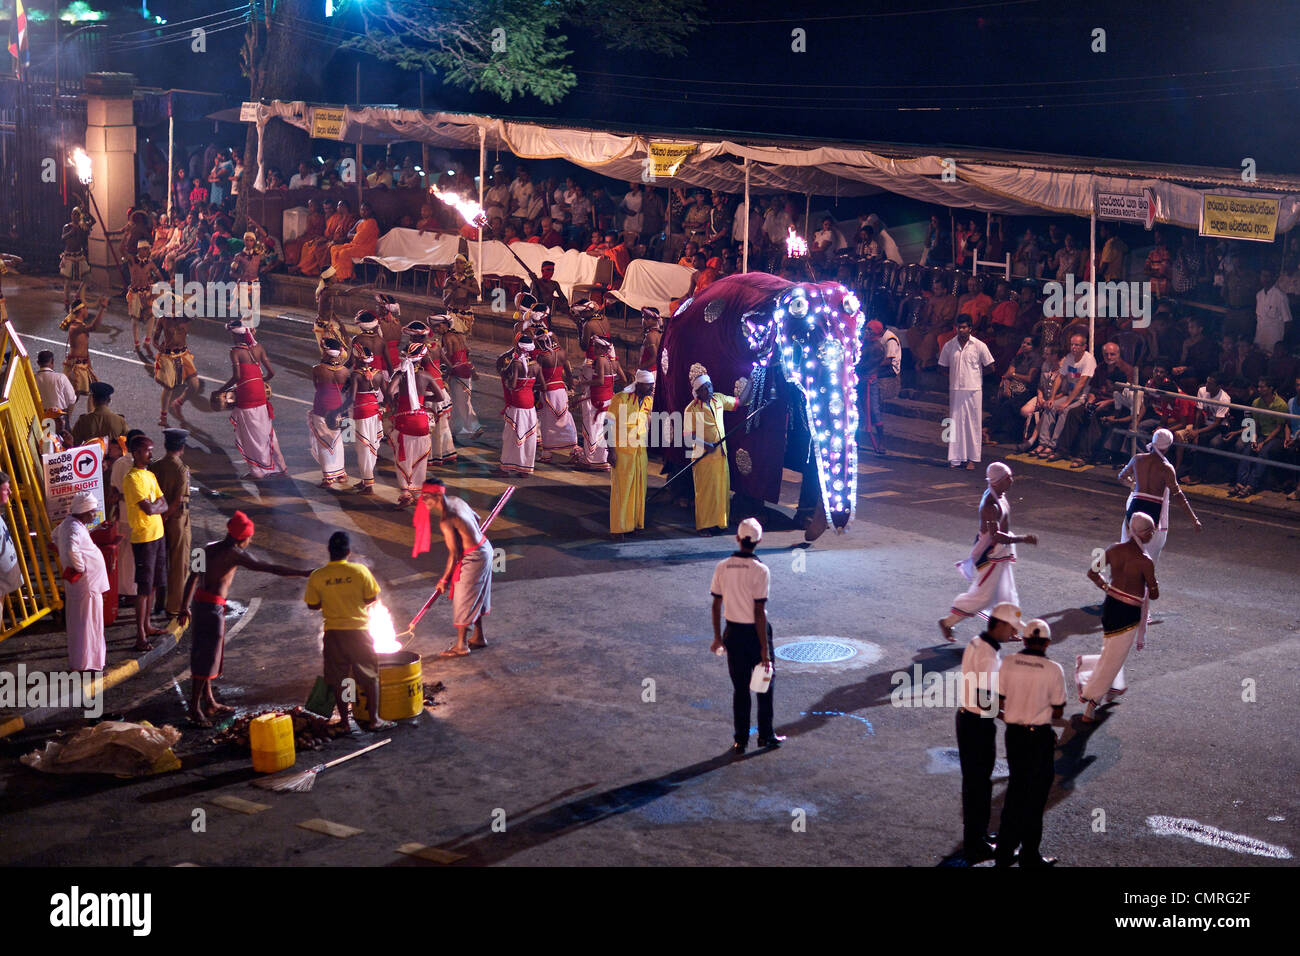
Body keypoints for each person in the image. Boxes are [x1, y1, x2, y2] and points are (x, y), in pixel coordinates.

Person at [179, 511, 310, 726]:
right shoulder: (234, 554)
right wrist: (305, 573)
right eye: (250, 538)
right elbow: (271, 568)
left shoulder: (207, 548)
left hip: (200, 604)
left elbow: (193, 575)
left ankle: (209, 700)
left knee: (205, 654)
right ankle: (194, 708)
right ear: (243, 538)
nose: (250, 541)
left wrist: (185, 605)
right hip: (212, 609)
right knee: (207, 658)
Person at [993, 618, 1065, 867]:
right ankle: (1029, 855)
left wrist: (1013, 716)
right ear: (1047, 643)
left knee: (1015, 791)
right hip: (1040, 738)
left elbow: (996, 703)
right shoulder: (1054, 669)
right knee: (1036, 798)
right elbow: (1057, 711)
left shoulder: (1009, 663)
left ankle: (1004, 851)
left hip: (1014, 735)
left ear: (1023, 640)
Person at [304, 531, 393, 731]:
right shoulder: (360, 571)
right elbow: (371, 599)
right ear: (348, 552)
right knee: (369, 676)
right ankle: (374, 720)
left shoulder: (318, 575)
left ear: (329, 551)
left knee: (342, 678)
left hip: (334, 634)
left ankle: (345, 722)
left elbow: (312, 605)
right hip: (359, 633)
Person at [940, 463, 1037, 641]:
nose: (1011, 480)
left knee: (1006, 591)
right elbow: (996, 536)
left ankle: (1010, 628)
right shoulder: (990, 504)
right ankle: (947, 622)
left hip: (1000, 551)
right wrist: (1022, 539)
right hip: (990, 554)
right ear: (997, 481)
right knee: (983, 596)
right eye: (1007, 478)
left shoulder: (1000, 495)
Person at [956, 601, 1022, 864]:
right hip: (977, 723)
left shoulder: (977, 641)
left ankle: (978, 837)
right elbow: (986, 700)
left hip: (968, 719)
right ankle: (976, 844)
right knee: (979, 786)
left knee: (976, 785)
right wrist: (1012, 719)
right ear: (1001, 624)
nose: (1013, 634)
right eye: (1011, 628)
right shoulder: (987, 654)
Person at [1079, 512, 1160, 722]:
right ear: (1146, 534)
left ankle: (1115, 687)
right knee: (1113, 657)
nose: (1153, 534)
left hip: (1110, 606)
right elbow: (1154, 594)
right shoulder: (1145, 561)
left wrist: (1106, 586)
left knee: (1112, 651)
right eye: (1152, 531)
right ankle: (1091, 701)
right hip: (1128, 613)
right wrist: (1151, 583)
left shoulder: (1114, 549)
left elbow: (1092, 573)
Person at [709, 518, 780, 754]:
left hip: (733, 632)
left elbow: (716, 605)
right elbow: (759, 612)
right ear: (759, 540)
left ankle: (740, 740)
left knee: (740, 689)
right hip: (755, 634)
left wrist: (718, 638)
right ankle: (765, 735)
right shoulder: (761, 570)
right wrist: (764, 650)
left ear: (738, 539)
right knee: (764, 687)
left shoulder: (722, 566)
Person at [413, 482, 494, 659]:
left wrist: (444, 580)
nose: (423, 500)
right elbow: (477, 518)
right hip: (485, 547)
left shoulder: (446, 519)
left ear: (438, 496)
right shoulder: (457, 500)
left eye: (426, 496)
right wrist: (469, 534)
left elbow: (455, 554)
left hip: (474, 557)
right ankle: (478, 637)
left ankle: (461, 645)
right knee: (475, 596)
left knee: (463, 599)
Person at [1118, 428, 1201, 581]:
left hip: (1134, 508)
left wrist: (1133, 486)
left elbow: (1122, 476)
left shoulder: (1137, 459)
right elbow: (1179, 496)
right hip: (1153, 512)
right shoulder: (1166, 468)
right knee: (1148, 560)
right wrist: (1194, 519)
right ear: (1168, 446)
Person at [215, 317, 287, 479]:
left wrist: (219, 390)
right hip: (260, 392)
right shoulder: (258, 348)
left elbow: (237, 376)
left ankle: (257, 471)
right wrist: (259, 382)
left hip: (246, 394)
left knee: (249, 435)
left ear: (235, 336)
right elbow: (271, 373)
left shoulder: (235, 351)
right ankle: (280, 467)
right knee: (267, 431)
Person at [684, 369, 748, 534]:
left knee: (720, 490)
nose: (710, 390)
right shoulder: (691, 409)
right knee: (706, 494)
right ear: (698, 392)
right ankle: (704, 526)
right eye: (705, 388)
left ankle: (719, 523)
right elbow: (688, 437)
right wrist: (705, 444)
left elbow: (739, 402)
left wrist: (754, 382)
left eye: (710, 386)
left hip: (720, 455)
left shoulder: (717, 399)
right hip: (703, 458)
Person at [122, 434, 170, 651]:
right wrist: (156, 506)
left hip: (157, 535)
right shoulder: (132, 479)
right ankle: (140, 635)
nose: (151, 453)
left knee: (152, 585)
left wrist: (156, 506)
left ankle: (148, 625)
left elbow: (163, 503)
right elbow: (151, 508)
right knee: (143, 587)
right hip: (144, 538)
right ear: (136, 453)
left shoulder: (149, 475)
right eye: (147, 450)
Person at [55, 492, 109, 672]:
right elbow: (71, 548)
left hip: (83, 586)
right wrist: (80, 567)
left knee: (81, 622)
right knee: (89, 623)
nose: (94, 515)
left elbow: (54, 537)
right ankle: (88, 664)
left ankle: (83, 662)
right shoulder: (74, 528)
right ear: (84, 512)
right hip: (87, 585)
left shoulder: (69, 524)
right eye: (93, 512)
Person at [938, 315, 996, 469]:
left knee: (973, 424)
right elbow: (942, 365)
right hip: (956, 389)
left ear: (970, 328)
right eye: (959, 327)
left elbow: (990, 367)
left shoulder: (979, 345)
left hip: (973, 389)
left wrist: (975, 376)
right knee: (955, 423)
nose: (961, 330)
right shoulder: (949, 345)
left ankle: (972, 459)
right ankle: (955, 458)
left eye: (964, 327)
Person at [148, 428, 191, 621]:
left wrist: (160, 516)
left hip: (157, 518)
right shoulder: (180, 469)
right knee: (177, 563)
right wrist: (166, 516)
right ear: (182, 447)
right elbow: (177, 499)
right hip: (176, 519)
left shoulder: (156, 465)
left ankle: (158, 603)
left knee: (159, 562)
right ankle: (174, 606)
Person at [387, 341, 437, 507]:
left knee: (403, 458)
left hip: (404, 421)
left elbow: (389, 391)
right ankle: (417, 492)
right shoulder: (426, 376)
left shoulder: (400, 375)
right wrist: (422, 400)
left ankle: (405, 492)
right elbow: (441, 397)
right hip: (421, 421)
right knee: (419, 459)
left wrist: (395, 403)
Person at [1031, 333, 1095, 460]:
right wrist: (1052, 398)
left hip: (1081, 397)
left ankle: (1053, 445)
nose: (1073, 347)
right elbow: (1060, 377)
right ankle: (1043, 443)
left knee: (1064, 410)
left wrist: (1066, 402)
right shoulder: (1069, 358)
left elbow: (1081, 384)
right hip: (1069, 395)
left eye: (1077, 345)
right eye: (1072, 344)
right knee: (1050, 407)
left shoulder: (1088, 360)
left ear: (1084, 346)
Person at [609, 370, 655, 538]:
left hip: (640, 452)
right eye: (649, 385)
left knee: (638, 490)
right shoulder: (620, 399)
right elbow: (609, 425)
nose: (651, 388)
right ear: (639, 384)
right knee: (622, 490)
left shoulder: (648, 401)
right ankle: (618, 528)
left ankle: (635, 524)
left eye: (652, 385)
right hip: (622, 452)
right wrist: (611, 451)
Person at [339, 344, 388, 494]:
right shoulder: (379, 374)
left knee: (363, 448)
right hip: (374, 411)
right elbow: (387, 395)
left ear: (357, 359)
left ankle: (369, 484)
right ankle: (365, 479)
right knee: (372, 446)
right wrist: (382, 407)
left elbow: (352, 397)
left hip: (361, 412)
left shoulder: (356, 375)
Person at [1230, 377, 1290, 497]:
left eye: (1262, 387)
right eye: (1259, 386)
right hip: (1262, 434)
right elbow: (1255, 424)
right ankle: (1240, 483)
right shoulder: (1257, 402)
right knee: (1247, 450)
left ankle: (1251, 485)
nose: (1259, 389)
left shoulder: (1280, 404)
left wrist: (1263, 443)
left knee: (1264, 452)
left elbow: (1279, 428)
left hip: (1276, 437)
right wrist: (1254, 440)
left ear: (1270, 388)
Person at [307, 338, 351, 488]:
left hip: (322, 407)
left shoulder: (317, 369)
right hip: (338, 408)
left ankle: (328, 478)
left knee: (323, 443)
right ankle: (341, 473)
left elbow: (316, 387)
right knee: (337, 441)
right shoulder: (345, 371)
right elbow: (347, 391)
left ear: (326, 352)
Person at [533, 318, 578, 464]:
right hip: (561, 390)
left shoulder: (541, 357)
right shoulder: (562, 353)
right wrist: (571, 385)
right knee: (565, 418)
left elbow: (538, 378)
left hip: (548, 392)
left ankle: (546, 454)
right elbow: (569, 374)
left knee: (547, 422)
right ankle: (573, 448)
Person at [499, 333, 542, 476]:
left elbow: (512, 384)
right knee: (528, 438)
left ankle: (507, 466)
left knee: (511, 436)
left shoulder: (516, 363)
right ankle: (525, 468)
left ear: (519, 346)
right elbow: (543, 385)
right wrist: (530, 386)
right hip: (530, 405)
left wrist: (507, 379)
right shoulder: (536, 365)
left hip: (517, 404)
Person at [151, 308, 200, 428]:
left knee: (194, 385)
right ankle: (163, 417)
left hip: (183, 354)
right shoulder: (163, 319)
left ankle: (178, 403)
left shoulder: (186, 317)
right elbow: (155, 339)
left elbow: (195, 313)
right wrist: (158, 347)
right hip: (168, 355)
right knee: (169, 387)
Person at [61, 297, 109, 407]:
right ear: (81, 310)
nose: (87, 310)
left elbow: (84, 349)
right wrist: (102, 308)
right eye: (86, 308)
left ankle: (92, 416)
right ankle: (65, 421)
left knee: (94, 391)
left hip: (83, 366)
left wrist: (89, 367)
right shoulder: (74, 327)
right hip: (75, 367)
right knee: (72, 398)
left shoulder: (79, 326)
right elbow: (94, 327)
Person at [442, 311, 482, 439]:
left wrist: (447, 370)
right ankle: (459, 428)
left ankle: (474, 427)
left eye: (438, 326)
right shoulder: (459, 335)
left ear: (445, 325)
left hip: (457, 370)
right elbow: (467, 351)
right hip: (466, 369)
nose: (436, 329)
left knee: (460, 401)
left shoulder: (447, 337)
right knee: (462, 401)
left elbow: (449, 354)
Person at [330, 201, 380, 282]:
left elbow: (359, 238)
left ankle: (346, 276)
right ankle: (337, 273)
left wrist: (355, 236)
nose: (363, 212)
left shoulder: (372, 222)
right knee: (334, 249)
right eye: (361, 210)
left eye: (366, 210)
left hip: (366, 249)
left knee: (344, 253)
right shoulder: (360, 221)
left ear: (370, 211)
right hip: (355, 245)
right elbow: (349, 234)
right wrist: (355, 235)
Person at [70, 381, 128, 448]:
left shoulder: (83, 420)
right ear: (109, 400)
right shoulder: (120, 420)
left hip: (91, 456)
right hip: (113, 458)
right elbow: (128, 443)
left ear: (93, 400)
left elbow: (74, 443)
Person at [34, 350, 76, 438]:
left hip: (41, 417)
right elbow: (72, 399)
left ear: (38, 363)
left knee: (46, 442)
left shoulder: (33, 379)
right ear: (52, 361)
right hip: (59, 417)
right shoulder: (60, 377)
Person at [1255, 269, 1292, 352]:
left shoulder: (1281, 296)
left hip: (1274, 341)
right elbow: (1259, 319)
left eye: (1268, 276)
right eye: (1263, 276)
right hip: (1260, 338)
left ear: (1273, 278)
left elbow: (1288, 321)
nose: (1265, 279)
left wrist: (1283, 344)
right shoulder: (1259, 295)